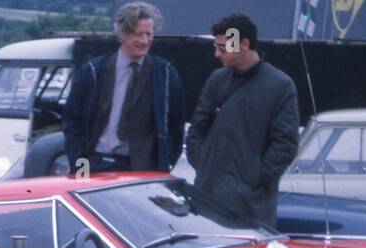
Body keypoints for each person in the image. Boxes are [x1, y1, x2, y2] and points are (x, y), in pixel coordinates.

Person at [186, 12, 300, 227]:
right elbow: (197, 129)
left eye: (222, 47)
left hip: (252, 209)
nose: (216, 54)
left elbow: (286, 144)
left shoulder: (280, 85)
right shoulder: (216, 80)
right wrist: (203, 166)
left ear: (244, 44)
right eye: (216, 47)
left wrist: (253, 180)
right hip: (207, 199)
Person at [62, 1, 185, 174]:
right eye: (138, 34)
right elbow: (72, 121)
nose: (144, 40)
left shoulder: (165, 74)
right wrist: (78, 163)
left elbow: (176, 127)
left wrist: (165, 164)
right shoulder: (93, 71)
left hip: (143, 170)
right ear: (121, 34)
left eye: (149, 34)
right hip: (94, 163)